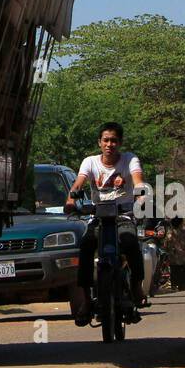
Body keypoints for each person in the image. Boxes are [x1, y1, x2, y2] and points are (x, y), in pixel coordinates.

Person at [65, 122, 147, 326]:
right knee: (85, 247)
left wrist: (141, 197)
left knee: (130, 243)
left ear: (120, 143)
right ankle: (85, 299)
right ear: (99, 142)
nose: (109, 144)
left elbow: (138, 180)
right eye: (106, 140)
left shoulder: (130, 160)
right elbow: (79, 182)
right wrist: (71, 199)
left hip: (124, 215)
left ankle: (137, 287)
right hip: (98, 216)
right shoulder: (90, 162)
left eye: (114, 140)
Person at [165, 216, 185, 291]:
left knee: (174, 270)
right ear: (180, 224)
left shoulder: (169, 233)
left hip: (174, 256)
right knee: (184, 270)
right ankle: (182, 286)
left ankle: (174, 285)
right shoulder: (184, 232)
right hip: (183, 256)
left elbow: (166, 244)